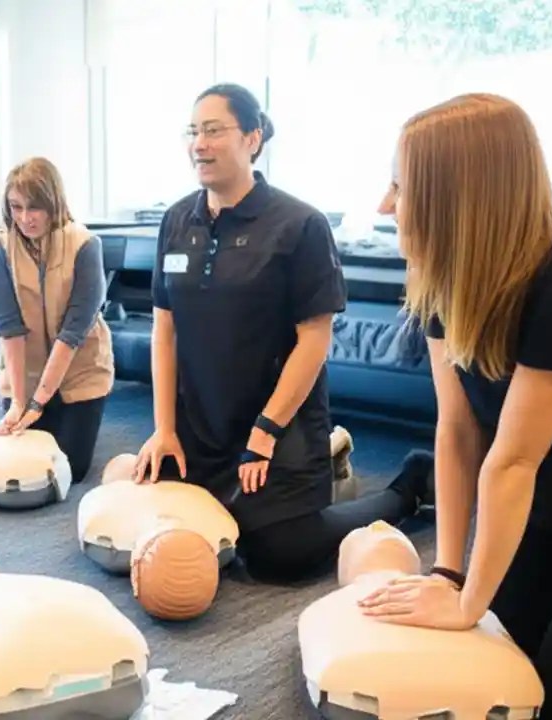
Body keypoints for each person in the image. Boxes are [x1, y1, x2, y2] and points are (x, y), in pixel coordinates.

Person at [357, 93, 552, 719]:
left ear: (456, 197)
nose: (384, 205)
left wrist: (467, 604)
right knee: (497, 670)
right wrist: (448, 575)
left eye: (400, 187)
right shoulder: (443, 273)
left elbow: (512, 461)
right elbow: (458, 431)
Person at [132, 83, 431, 583]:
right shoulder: (177, 220)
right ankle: (326, 466)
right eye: (193, 131)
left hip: (280, 423)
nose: (199, 144)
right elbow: (166, 329)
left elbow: (315, 339)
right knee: (157, 512)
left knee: (280, 553)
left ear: (252, 138)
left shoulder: (299, 225)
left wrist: (265, 432)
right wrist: (164, 429)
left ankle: (406, 488)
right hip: (202, 424)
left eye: (213, 130)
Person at [0, 157, 113, 484]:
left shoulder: (85, 245)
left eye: (35, 208)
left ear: (53, 203)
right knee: (23, 464)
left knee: (68, 469)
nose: (25, 218)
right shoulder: (0, 247)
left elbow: (73, 333)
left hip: (80, 371)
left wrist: (39, 402)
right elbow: (9, 328)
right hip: (24, 374)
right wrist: (19, 401)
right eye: (16, 207)